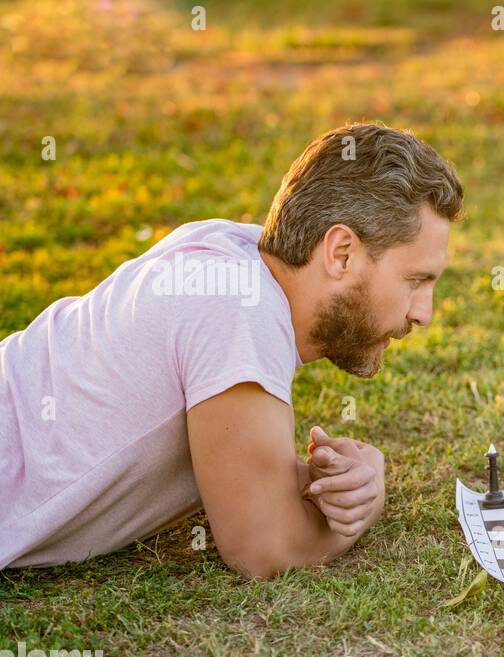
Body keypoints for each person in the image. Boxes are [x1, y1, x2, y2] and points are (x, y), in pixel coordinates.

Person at [0, 122, 463, 577]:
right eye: (415, 281)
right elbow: (264, 548)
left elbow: (241, 474)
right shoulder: (237, 309)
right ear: (341, 253)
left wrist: (352, 479)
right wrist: (361, 513)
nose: (424, 313)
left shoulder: (231, 257)